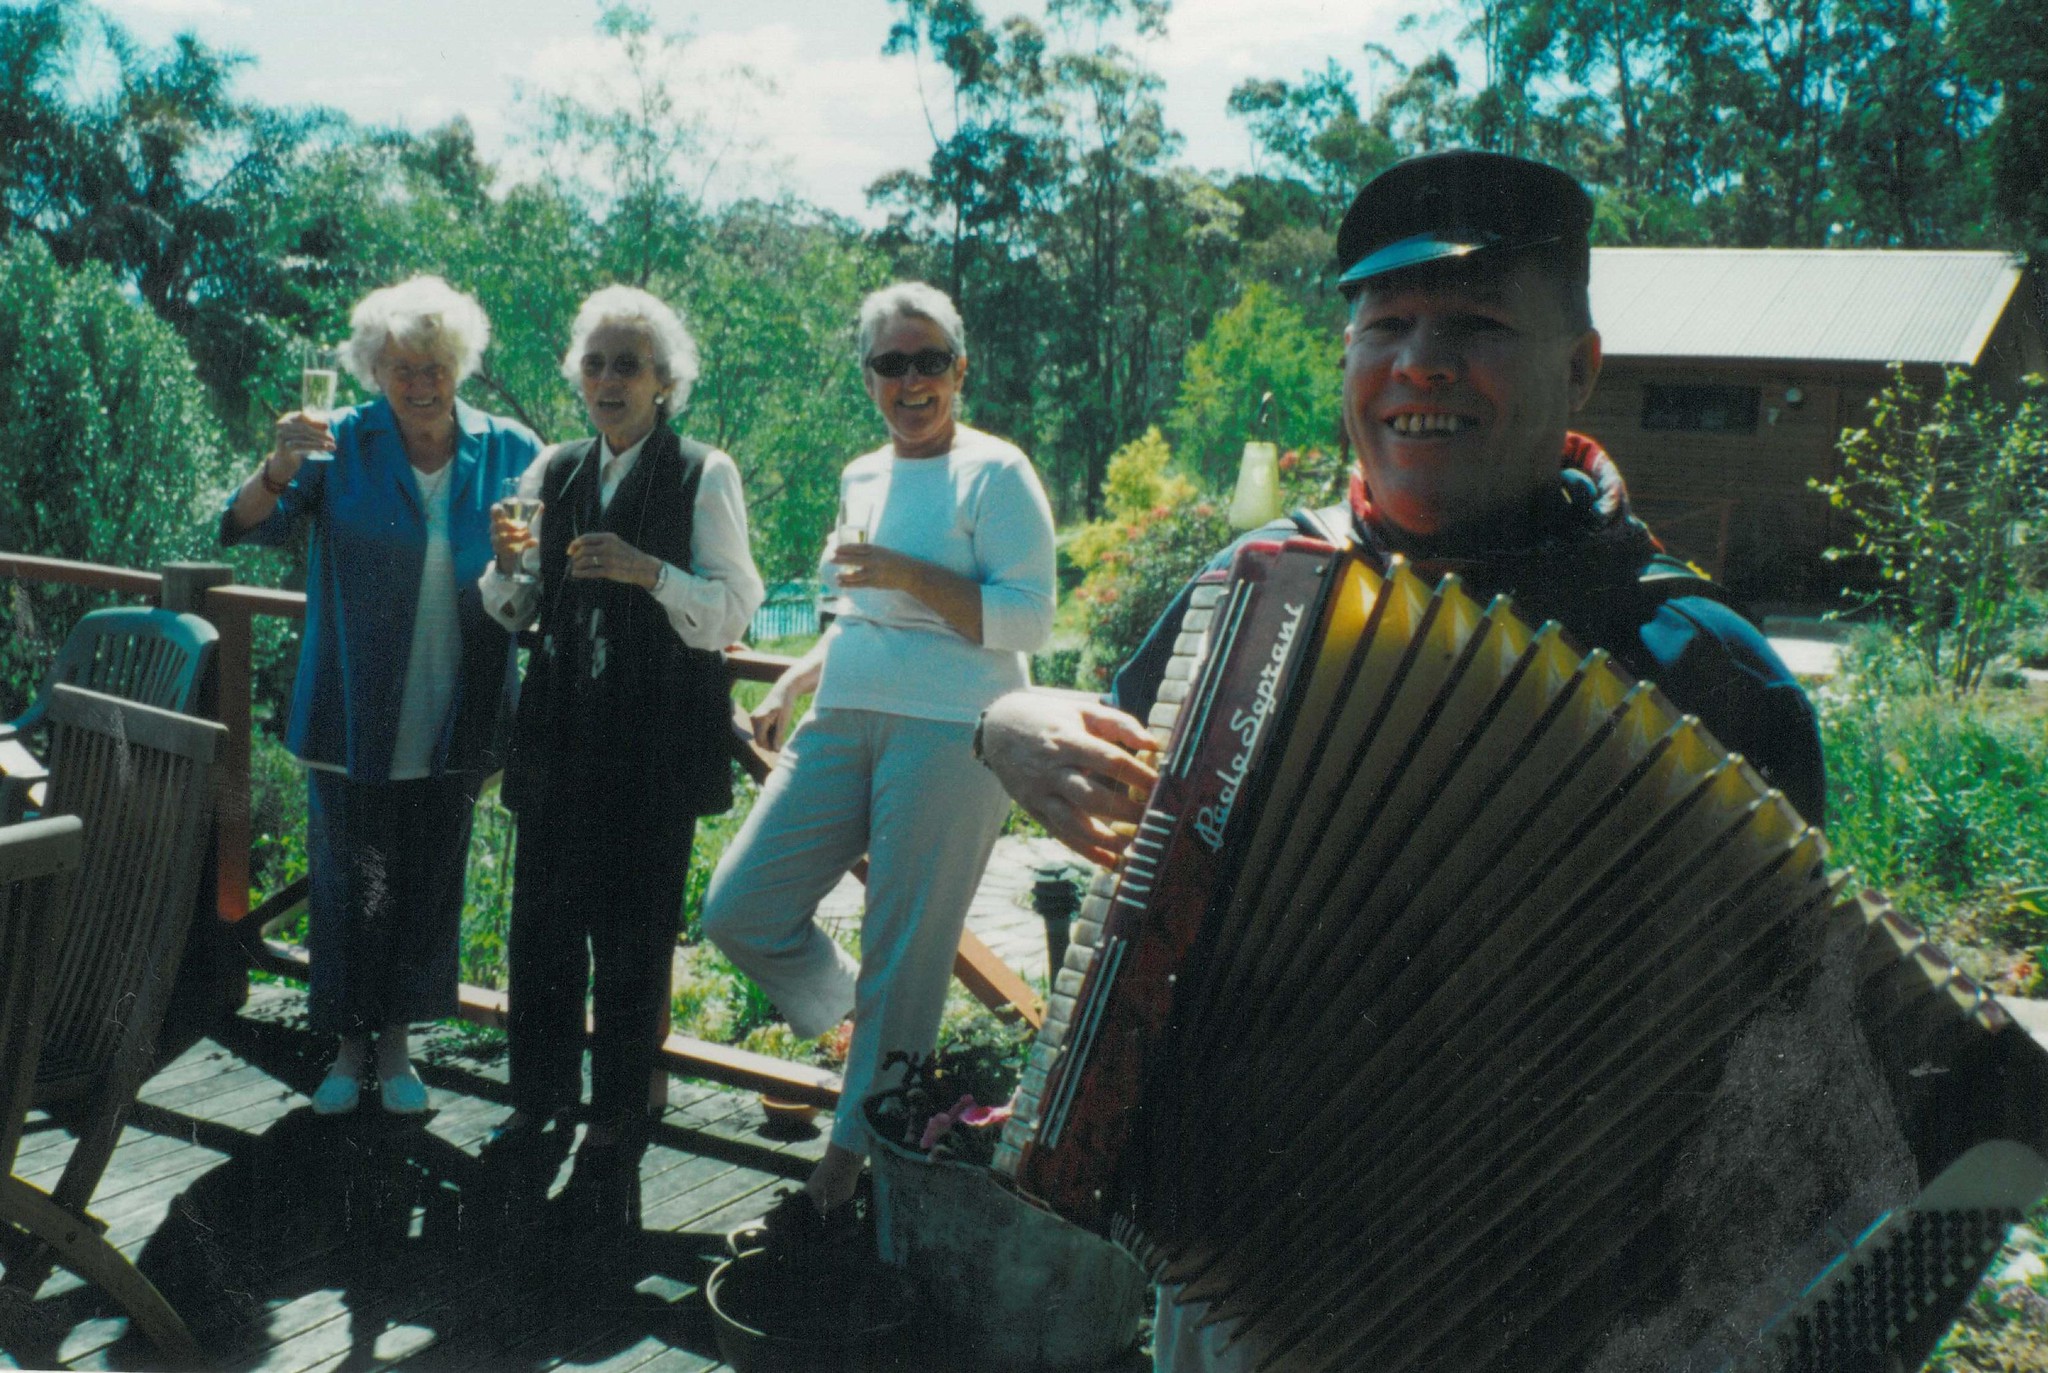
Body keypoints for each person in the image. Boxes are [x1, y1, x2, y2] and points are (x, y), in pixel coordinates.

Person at [974, 150, 1827, 1370]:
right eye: (1386, 325)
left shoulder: (1705, 669)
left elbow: (1782, 1066)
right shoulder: (1252, 589)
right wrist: (1007, 725)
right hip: (1236, 1264)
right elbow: (1119, 773)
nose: (1421, 360)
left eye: (1476, 324)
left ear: (1577, 365)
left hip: (1543, 1303)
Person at [701, 281, 1057, 1243]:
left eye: (929, 360)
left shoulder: (997, 472)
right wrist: (793, 684)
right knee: (740, 907)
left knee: (907, 951)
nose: (911, 380)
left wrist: (906, 574)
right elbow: (858, 606)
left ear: (960, 368)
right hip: (845, 713)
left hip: (953, 729)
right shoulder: (863, 472)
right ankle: (883, 1049)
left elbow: (1030, 616)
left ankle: (846, 1168)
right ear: (868, 375)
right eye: (891, 363)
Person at [477, 286, 764, 1227]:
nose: (608, 380)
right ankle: (541, 1099)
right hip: (560, 736)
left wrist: (648, 571)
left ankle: (617, 1120)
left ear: (665, 382)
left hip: (652, 746)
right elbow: (512, 612)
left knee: (635, 941)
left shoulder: (700, 472)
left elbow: (735, 611)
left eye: (627, 365)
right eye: (595, 363)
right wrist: (507, 567)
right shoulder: (552, 469)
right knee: (543, 933)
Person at [223, 275, 543, 1117]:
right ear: (375, 369)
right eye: (401, 366)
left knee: (428, 879)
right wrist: (280, 461)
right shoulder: (342, 441)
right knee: (349, 881)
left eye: (434, 364)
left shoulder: (510, 447)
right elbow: (246, 523)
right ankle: (344, 1046)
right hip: (350, 706)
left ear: (459, 365)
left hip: (459, 708)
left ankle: (397, 1044)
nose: (419, 381)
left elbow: (548, 563)